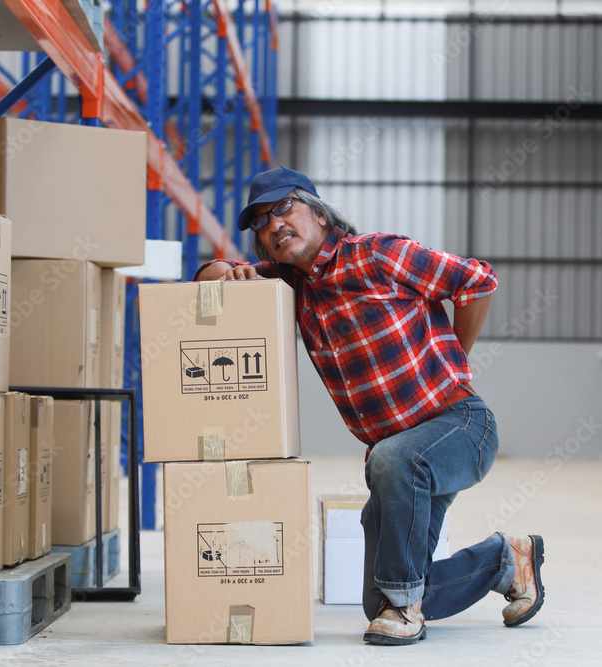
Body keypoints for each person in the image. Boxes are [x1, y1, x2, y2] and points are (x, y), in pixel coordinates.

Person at [194, 166, 544, 646]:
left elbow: (477, 281)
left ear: (318, 212)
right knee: (382, 597)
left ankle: (404, 609)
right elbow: (208, 276)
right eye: (260, 222)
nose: (273, 226)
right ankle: (505, 559)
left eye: (283, 208)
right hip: (400, 458)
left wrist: (456, 359)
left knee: (392, 467)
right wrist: (221, 273)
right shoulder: (292, 286)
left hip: (460, 425)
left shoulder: (377, 254)